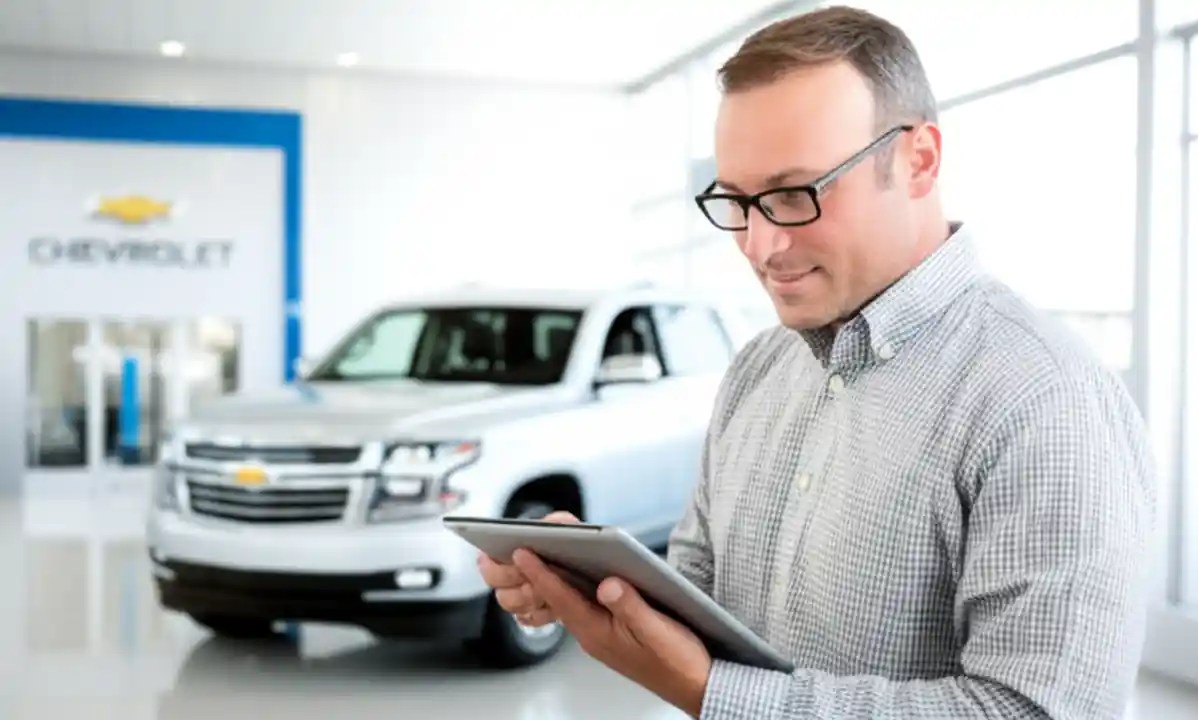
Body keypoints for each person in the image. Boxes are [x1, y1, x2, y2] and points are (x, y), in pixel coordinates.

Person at [477, 6, 1157, 718]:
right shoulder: (757, 370)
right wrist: (593, 587)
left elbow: (1036, 711)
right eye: (737, 202)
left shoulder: (1044, 397)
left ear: (918, 160)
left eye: (795, 195)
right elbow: (703, 588)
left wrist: (713, 694)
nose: (759, 246)